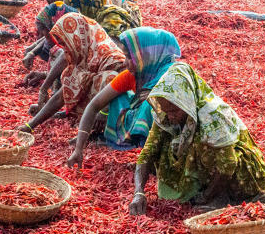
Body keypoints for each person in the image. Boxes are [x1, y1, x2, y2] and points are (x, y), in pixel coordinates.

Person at [129, 64, 265, 213]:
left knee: (202, 145)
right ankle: (198, 191)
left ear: (187, 100)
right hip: (211, 172)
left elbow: (228, 164)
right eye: (166, 111)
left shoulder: (212, 114)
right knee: (164, 144)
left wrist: (206, 196)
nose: (170, 116)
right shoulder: (165, 115)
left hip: (238, 171)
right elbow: (148, 151)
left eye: (175, 110)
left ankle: (220, 196)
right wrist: (138, 192)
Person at [65, 27, 181, 165]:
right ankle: (144, 154)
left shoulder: (173, 74)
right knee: (118, 97)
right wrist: (79, 148)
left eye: (129, 57)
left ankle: (153, 162)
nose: (125, 62)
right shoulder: (131, 75)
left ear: (146, 55)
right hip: (156, 128)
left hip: (178, 135)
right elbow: (94, 106)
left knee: (148, 105)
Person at [21, 13, 126, 136]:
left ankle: (107, 133)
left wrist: (104, 112)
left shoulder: (109, 55)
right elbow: (60, 97)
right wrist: (30, 125)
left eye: (65, 43)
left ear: (76, 37)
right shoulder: (83, 54)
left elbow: (125, 82)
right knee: (73, 76)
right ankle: (88, 127)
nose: (64, 49)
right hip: (101, 108)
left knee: (108, 79)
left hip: (124, 113)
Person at [61, 0, 135, 38]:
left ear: (84, 5)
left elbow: (113, 51)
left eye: (71, 7)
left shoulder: (111, 19)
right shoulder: (93, 17)